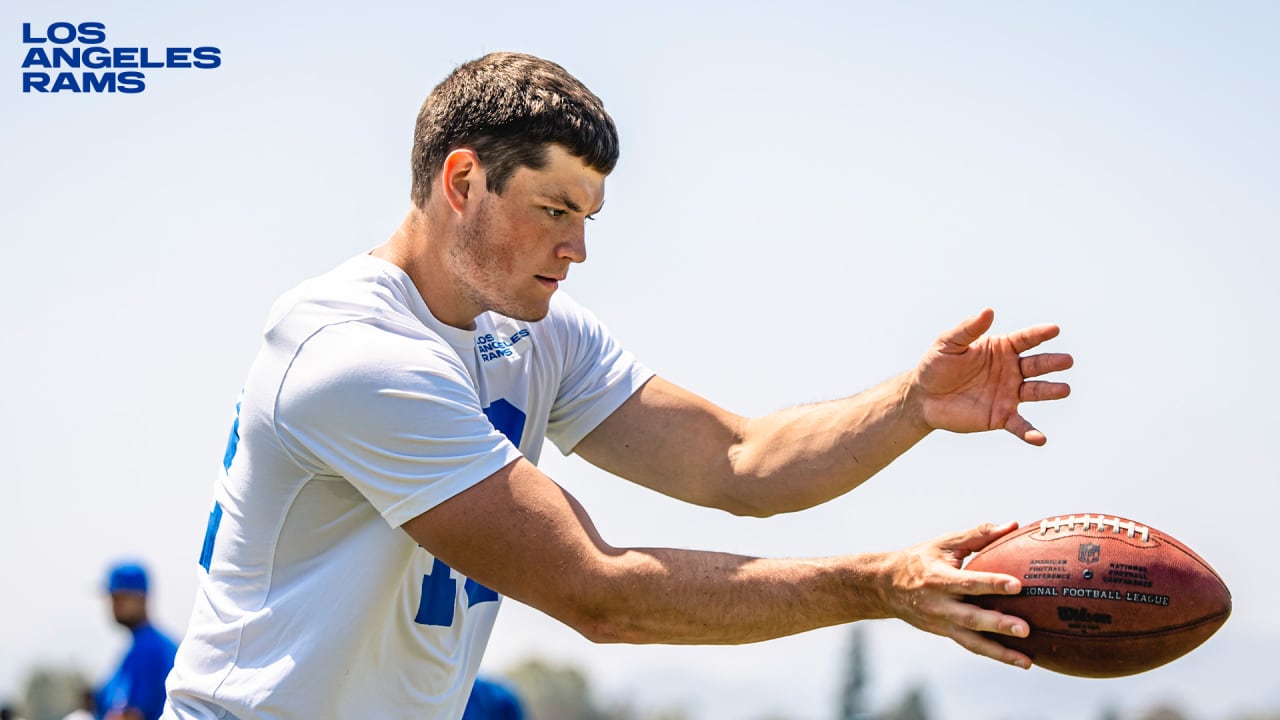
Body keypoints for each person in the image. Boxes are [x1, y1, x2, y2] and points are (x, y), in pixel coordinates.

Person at [163, 52, 1073, 719]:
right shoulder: (351, 352)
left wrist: (910, 403)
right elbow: (599, 593)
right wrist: (879, 585)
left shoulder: (539, 330)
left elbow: (740, 461)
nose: (579, 248)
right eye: (555, 211)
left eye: (589, 217)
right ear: (463, 180)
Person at [97, 563, 178, 720]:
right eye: (113, 598)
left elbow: (131, 716)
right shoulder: (139, 646)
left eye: (122, 597)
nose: (115, 605)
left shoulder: (148, 648)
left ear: (142, 597)